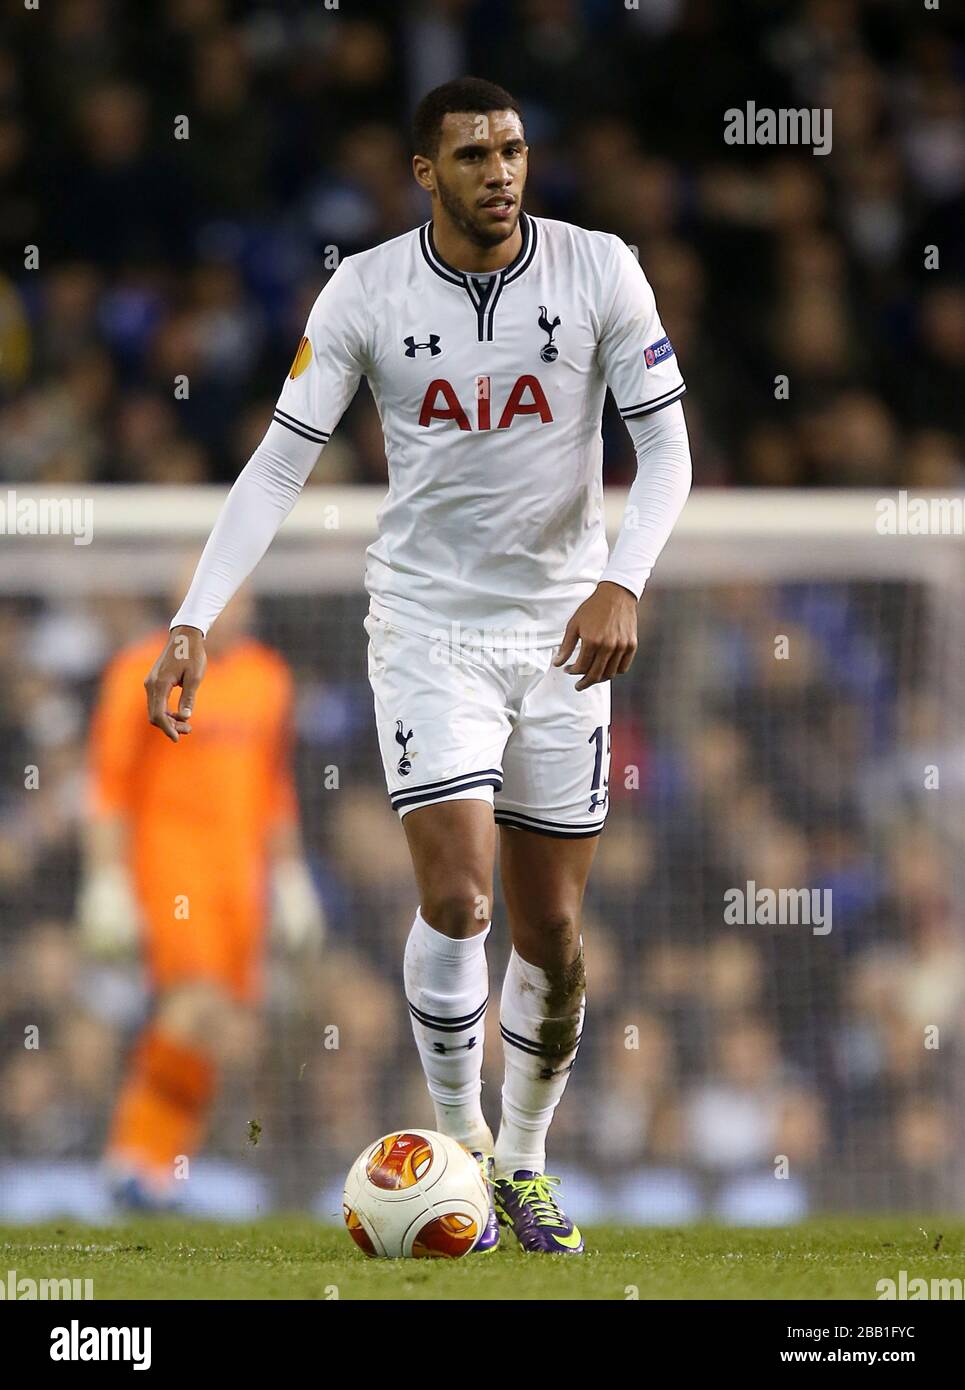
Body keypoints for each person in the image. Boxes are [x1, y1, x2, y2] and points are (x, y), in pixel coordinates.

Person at [144, 77, 691, 1252]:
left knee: (549, 931)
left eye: (512, 149)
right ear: (421, 173)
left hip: (562, 633)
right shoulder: (366, 290)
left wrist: (622, 579)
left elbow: (667, 452)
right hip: (429, 627)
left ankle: (528, 1159)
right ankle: (464, 1147)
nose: (500, 170)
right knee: (456, 893)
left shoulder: (601, 269)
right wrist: (194, 614)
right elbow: (279, 465)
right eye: (472, 153)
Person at [80, 586, 323, 1208]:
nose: (224, 605)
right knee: (194, 1002)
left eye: (236, 593)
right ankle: (133, 1156)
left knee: (222, 1026)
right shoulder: (139, 671)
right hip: (170, 866)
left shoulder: (269, 679)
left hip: (240, 879)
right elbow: (110, 785)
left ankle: (153, 1168)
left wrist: (290, 877)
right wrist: (107, 878)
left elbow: (275, 788)